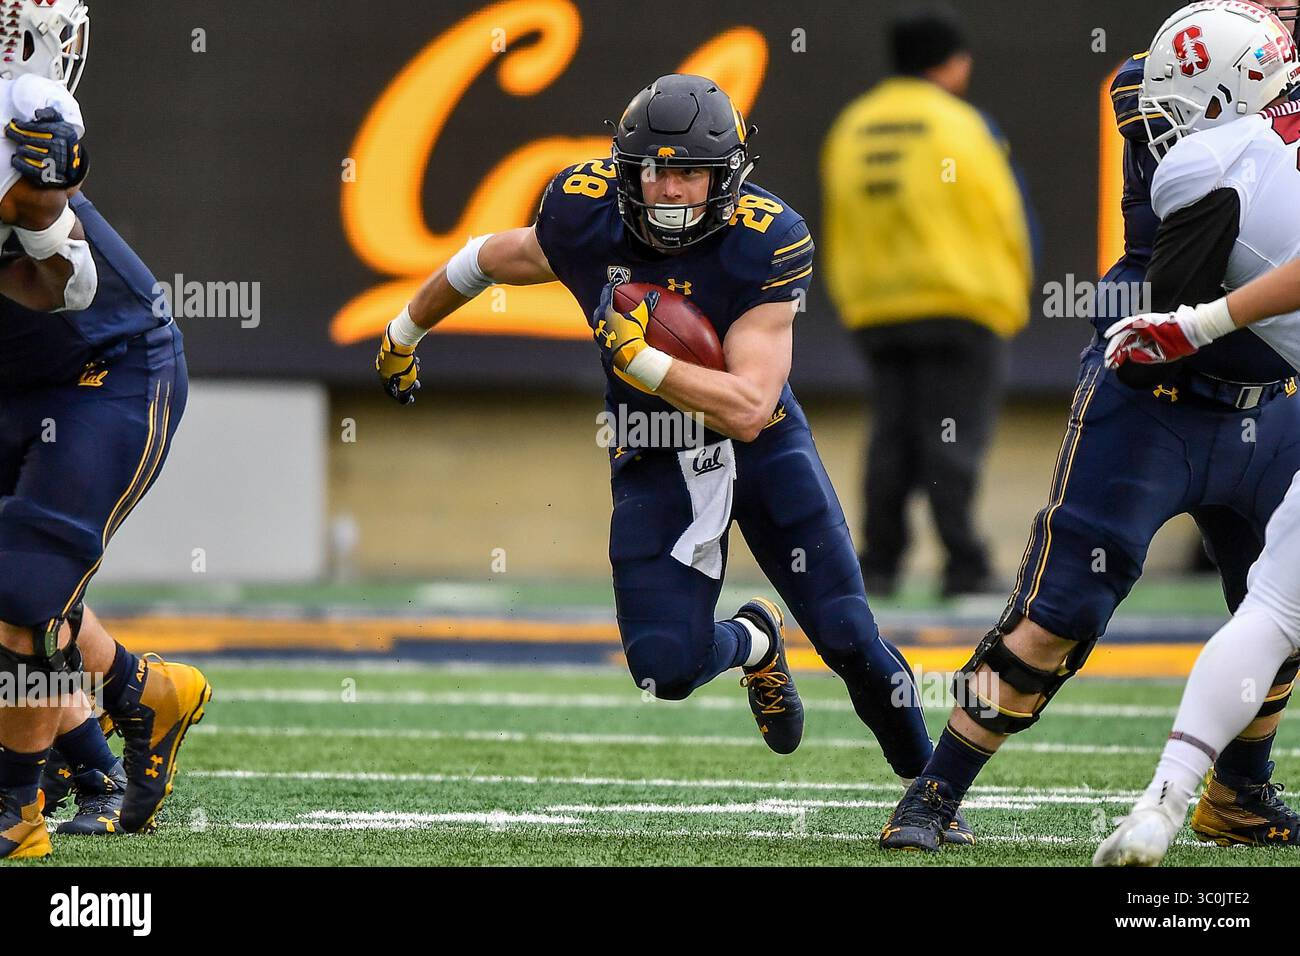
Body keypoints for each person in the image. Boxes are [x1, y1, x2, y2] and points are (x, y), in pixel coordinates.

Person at [375, 73, 972, 842]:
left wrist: (646, 363)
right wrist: (403, 331)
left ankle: (930, 801)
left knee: (850, 635)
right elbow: (490, 257)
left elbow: (752, 405)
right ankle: (755, 640)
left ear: (726, 178)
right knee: (664, 666)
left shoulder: (767, 238)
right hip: (655, 451)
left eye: (686, 170)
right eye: (650, 169)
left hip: (756, 446)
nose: (663, 188)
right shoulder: (585, 210)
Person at [880, 0, 1300, 853]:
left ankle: (1239, 791)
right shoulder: (1168, 79)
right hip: (1158, 394)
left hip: (1273, 399)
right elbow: (1200, 241)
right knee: (1059, 611)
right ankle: (933, 792)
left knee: (1284, 613)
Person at [0, 0, 211, 858]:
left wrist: (40, 210)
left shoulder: (24, 123)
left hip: (106, 370)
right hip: (22, 370)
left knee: (22, 598)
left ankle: (15, 810)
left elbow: (66, 286)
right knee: (27, 595)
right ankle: (130, 705)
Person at [1097, 137, 1300, 867]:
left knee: (1271, 616)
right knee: (1273, 612)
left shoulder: (1216, 156)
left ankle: (1165, 800)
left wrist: (1197, 323)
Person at [821, 4, 1034, 598]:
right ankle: (963, 563)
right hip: (962, 302)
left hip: (877, 309)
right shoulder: (965, 125)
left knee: (891, 437)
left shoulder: (852, 125)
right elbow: (1009, 216)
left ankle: (879, 564)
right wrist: (1014, 291)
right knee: (952, 438)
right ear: (951, 63)